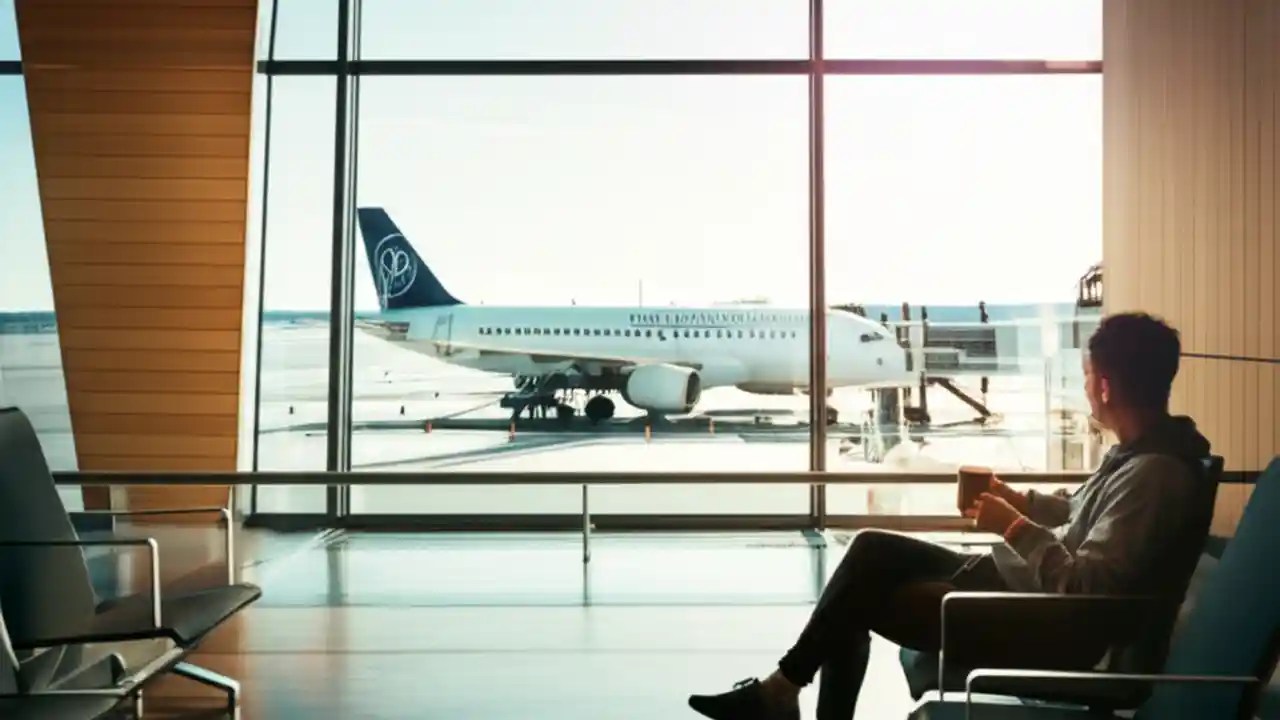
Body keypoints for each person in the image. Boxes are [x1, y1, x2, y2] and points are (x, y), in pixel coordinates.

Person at [687, 312, 1214, 720]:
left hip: (1049, 624)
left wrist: (1010, 525)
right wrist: (1019, 499)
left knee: (859, 595)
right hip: (1015, 586)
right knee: (871, 548)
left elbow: (1085, 589)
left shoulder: (1154, 476)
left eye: (1087, 377)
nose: (1085, 388)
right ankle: (781, 691)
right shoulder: (1141, 453)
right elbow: (1080, 514)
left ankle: (779, 693)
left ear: (1104, 386)